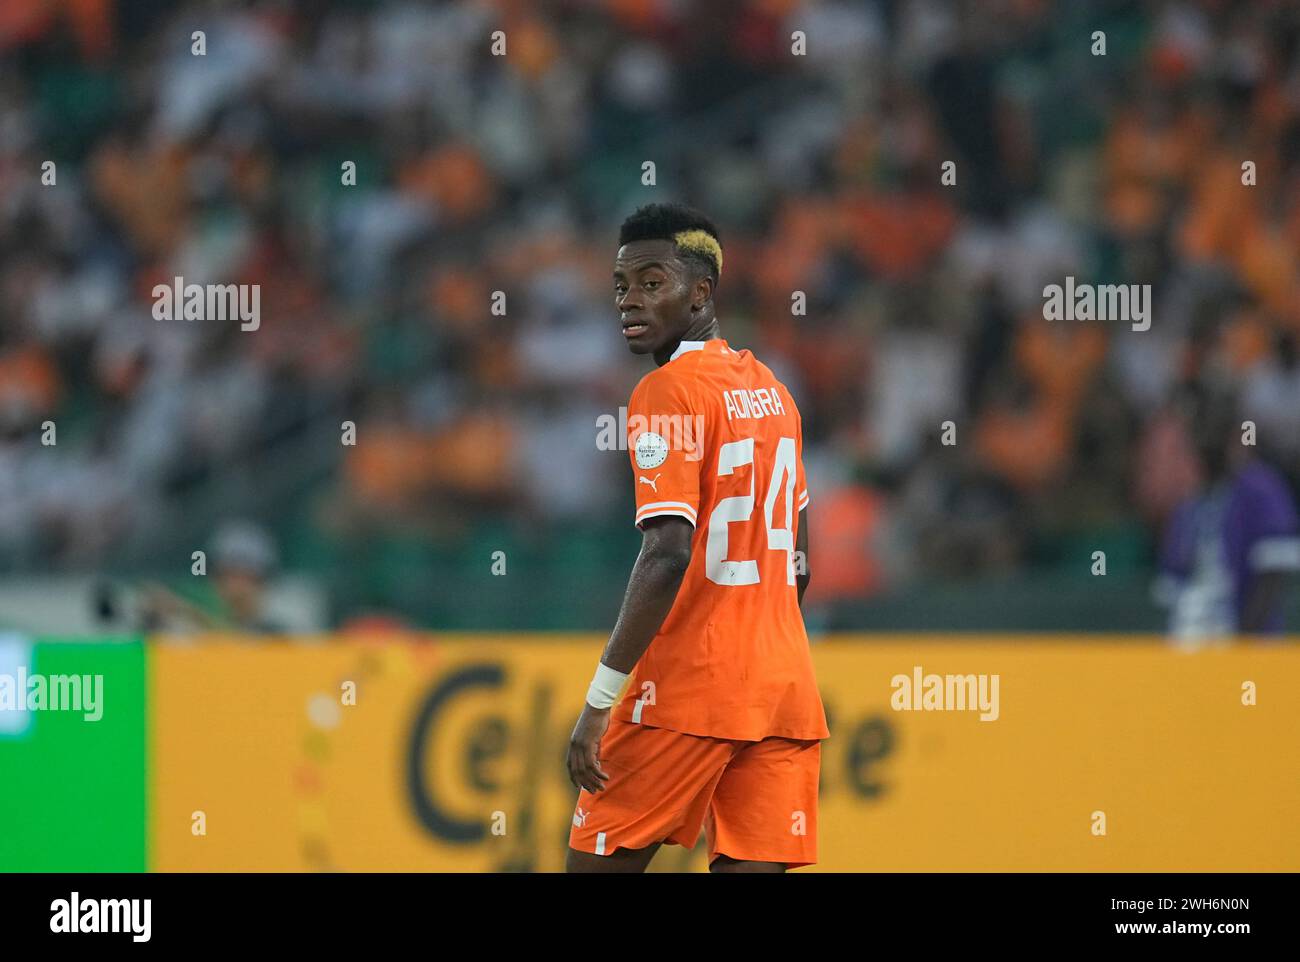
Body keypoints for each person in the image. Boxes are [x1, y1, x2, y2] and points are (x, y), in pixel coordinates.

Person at [565, 204, 829, 873]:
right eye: (622, 285)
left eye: (653, 282)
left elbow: (667, 553)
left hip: (688, 689)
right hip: (784, 694)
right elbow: (797, 562)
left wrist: (600, 703)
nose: (630, 299)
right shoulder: (775, 393)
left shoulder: (666, 392)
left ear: (702, 293)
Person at [1159, 389, 1300, 642]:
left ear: (1232, 439)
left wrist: (1242, 646)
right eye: (1199, 441)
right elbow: (1176, 585)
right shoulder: (1191, 502)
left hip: (1245, 640)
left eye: (1213, 441)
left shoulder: (1261, 488)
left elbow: (1272, 576)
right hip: (1190, 640)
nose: (1204, 449)